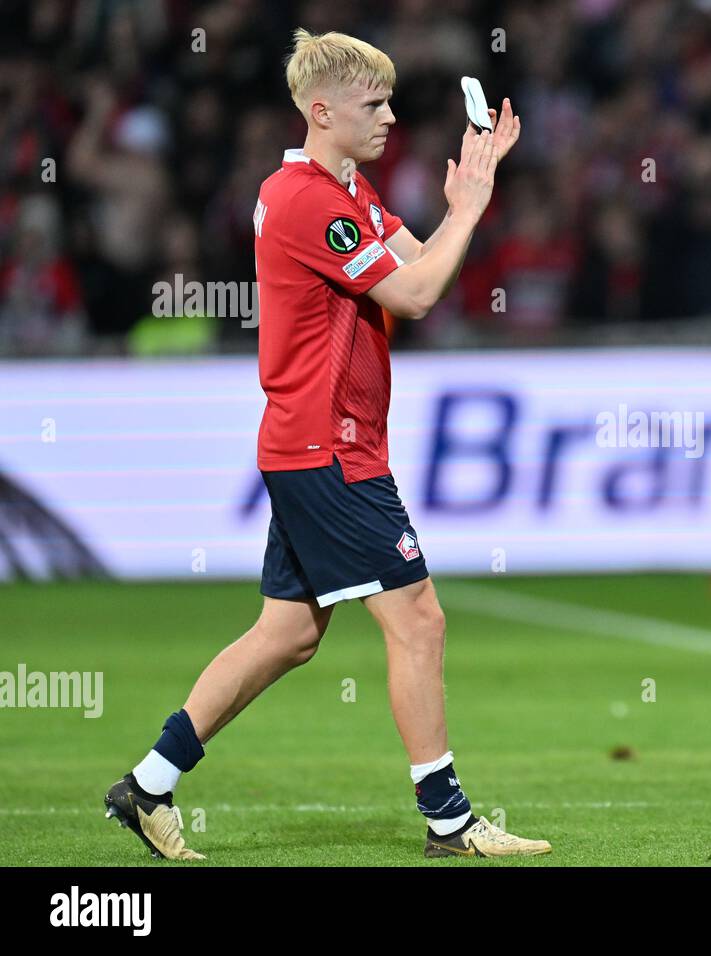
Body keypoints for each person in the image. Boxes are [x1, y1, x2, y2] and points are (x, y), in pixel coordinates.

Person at [104, 29, 550, 859]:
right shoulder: (309, 199)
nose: (388, 117)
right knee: (418, 618)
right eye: (371, 105)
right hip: (328, 447)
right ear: (322, 110)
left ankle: (148, 784)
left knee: (289, 634)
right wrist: (466, 211)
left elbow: (421, 264)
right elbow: (415, 293)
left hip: (311, 444)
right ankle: (448, 820)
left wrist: (470, 200)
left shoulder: (346, 190)